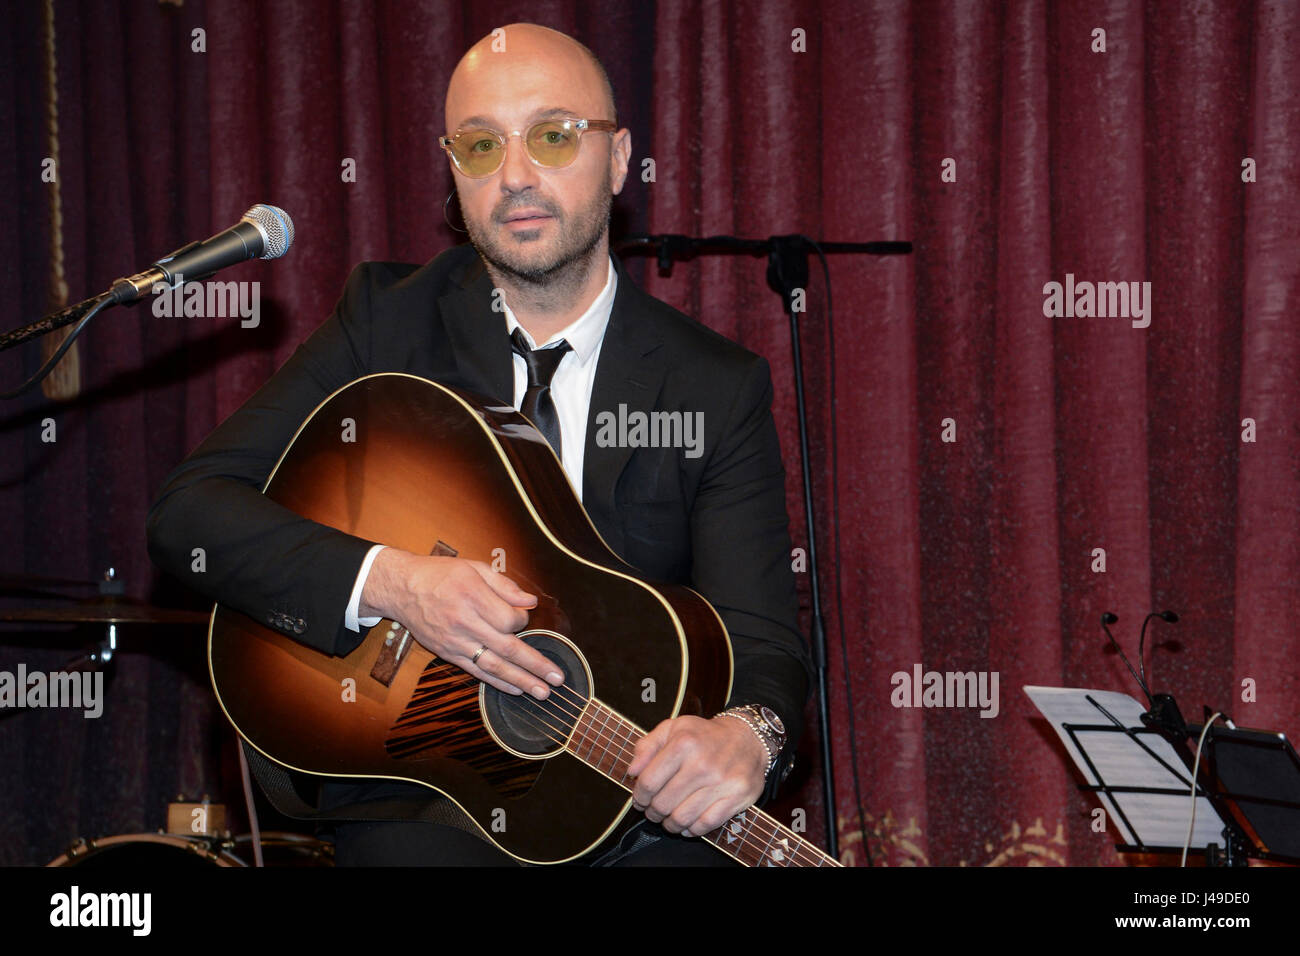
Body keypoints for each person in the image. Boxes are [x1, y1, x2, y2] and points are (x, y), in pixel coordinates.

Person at [146, 22, 811, 866]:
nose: (517, 175)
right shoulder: (384, 322)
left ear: (618, 159)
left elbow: (761, 641)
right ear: (452, 171)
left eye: (553, 135)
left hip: (625, 815)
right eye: (480, 144)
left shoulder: (713, 385)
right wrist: (395, 581)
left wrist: (747, 737)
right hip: (423, 802)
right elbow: (189, 516)